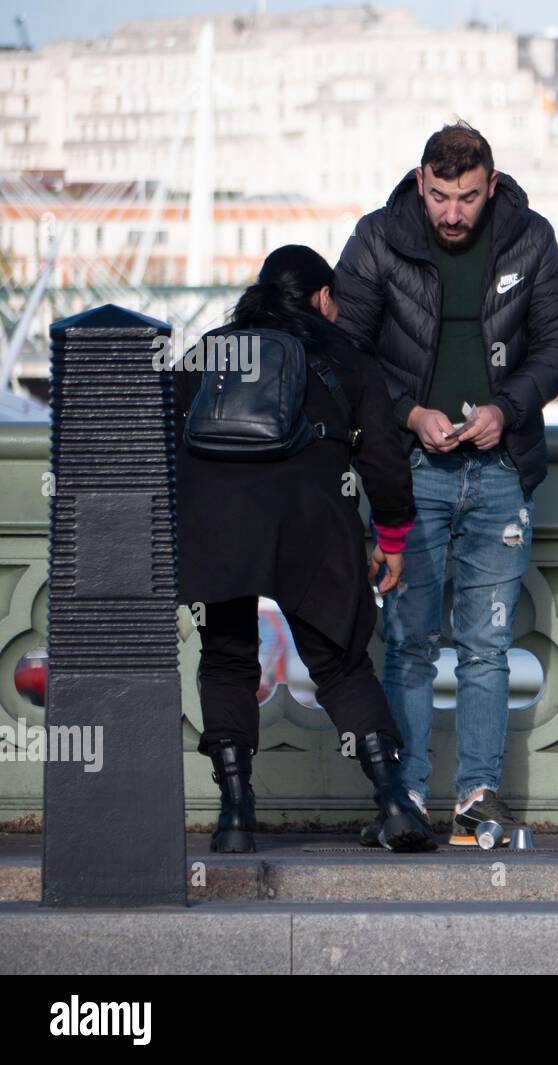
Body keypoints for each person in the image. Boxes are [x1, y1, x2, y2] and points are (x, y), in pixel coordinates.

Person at [332, 121, 558, 846]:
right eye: (440, 195)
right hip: (409, 474)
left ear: (491, 186)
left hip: (501, 472)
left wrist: (507, 410)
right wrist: (408, 412)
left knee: (486, 644)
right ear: (420, 182)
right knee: (407, 641)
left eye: (467, 197)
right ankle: (405, 797)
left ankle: (477, 796)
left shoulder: (530, 237)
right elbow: (345, 349)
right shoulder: (377, 238)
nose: (452, 212)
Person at [174, 244, 436, 854]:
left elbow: (163, 431)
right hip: (309, 527)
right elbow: (384, 462)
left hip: (217, 529)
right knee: (341, 664)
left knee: (228, 659)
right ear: (323, 299)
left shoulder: (210, 350)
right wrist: (392, 536)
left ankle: (235, 815)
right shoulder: (345, 356)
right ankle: (394, 800)